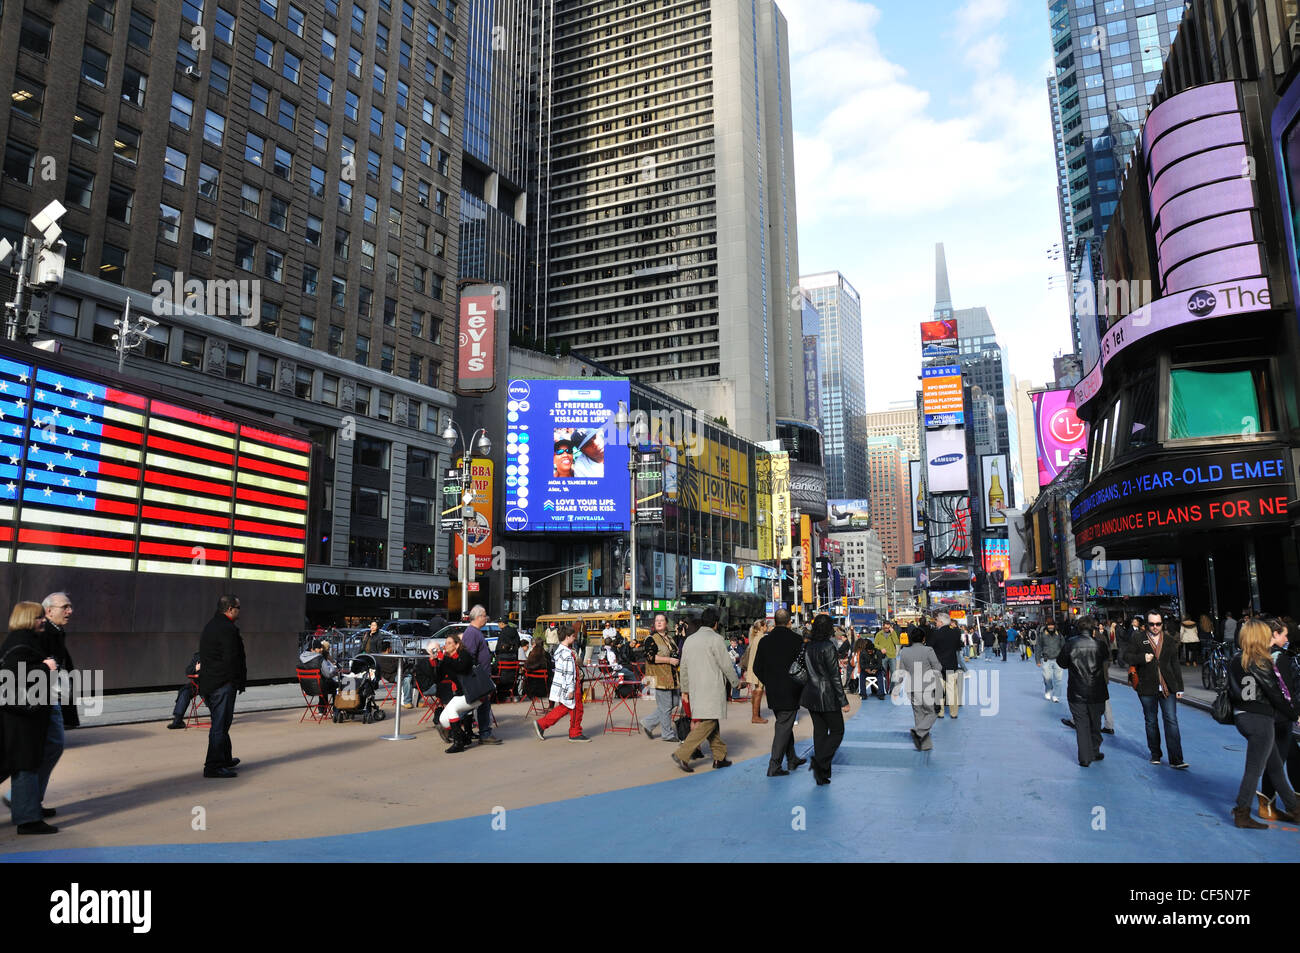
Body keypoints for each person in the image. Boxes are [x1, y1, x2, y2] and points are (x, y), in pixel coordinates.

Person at [1226, 619, 1299, 828]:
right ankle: (1242, 813)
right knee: (1254, 770)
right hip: (1260, 719)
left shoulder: (1235, 659)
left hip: (1242, 716)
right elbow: (1275, 695)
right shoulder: (1261, 661)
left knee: (1275, 766)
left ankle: (1294, 808)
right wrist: (1295, 715)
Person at [1, 602, 63, 834]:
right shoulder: (20, 644)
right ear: (28, 618)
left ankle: (28, 809)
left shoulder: (21, 641)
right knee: (25, 764)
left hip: (21, 717)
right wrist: (46, 668)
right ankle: (28, 818)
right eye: (39, 617)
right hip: (21, 719)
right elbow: (11, 679)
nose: (43, 620)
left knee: (26, 762)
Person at [671, 608, 738, 773]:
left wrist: (685, 689)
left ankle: (719, 757)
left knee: (711, 721)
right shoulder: (717, 639)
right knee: (708, 722)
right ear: (715, 623)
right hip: (712, 688)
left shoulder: (689, 640)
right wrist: (735, 682)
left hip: (694, 687)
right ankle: (683, 753)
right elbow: (726, 664)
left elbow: (684, 667)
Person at [1124, 610, 1187, 769]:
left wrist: (1179, 687)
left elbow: (1175, 664)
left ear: (1162, 624)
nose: (1155, 627)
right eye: (1151, 624)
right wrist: (1142, 658)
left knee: (1171, 721)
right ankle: (1155, 754)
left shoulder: (1170, 640)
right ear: (1146, 624)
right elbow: (1126, 657)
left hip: (1168, 686)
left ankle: (1176, 759)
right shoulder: (1138, 638)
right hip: (1146, 686)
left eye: (1158, 624)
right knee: (1151, 721)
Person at [752, 608, 807, 776]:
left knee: (785, 723)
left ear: (774, 622)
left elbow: (756, 668)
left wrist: (769, 681)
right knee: (783, 725)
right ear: (789, 622)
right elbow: (804, 666)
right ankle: (774, 765)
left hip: (774, 690)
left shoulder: (765, 641)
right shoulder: (797, 640)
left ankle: (792, 759)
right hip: (792, 689)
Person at [198, 595, 246, 779]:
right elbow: (231, 659)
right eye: (238, 608)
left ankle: (224, 758)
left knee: (222, 723)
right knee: (220, 725)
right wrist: (233, 681)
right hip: (221, 684)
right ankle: (213, 765)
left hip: (211, 683)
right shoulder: (227, 629)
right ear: (230, 609)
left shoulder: (212, 625)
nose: (240, 611)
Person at [1257, 618, 1300, 820]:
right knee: (1278, 761)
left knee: (1291, 756)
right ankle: (1268, 804)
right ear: (1274, 634)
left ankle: (1281, 801)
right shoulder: (1280, 658)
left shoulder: (1259, 654)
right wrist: (1295, 713)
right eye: (1284, 634)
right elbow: (1286, 691)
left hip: (1266, 716)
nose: (1286, 638)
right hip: (1280, 717)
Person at [802, 615, 851, 785]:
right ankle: (821, 762)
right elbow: (834, 676)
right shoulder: (828, 647)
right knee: (837, 731)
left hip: (811, 694)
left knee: (820, 732)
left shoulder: (808, 646)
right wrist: (843, 700)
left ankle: (822, 774)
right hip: (827, 695)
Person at [1057, 618, 1111, 767]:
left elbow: (1061, 662)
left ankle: (1085, 757)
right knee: (1095, 722)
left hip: (1077, 690)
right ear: (1093, 629)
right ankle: (1094, 750)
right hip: (1097, 689)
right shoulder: (1100, 645)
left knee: (1081, 725)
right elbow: (1106, 658)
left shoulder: (1070, 643)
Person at [534, 624, 589, 742]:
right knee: (576, 709)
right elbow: (569, 673)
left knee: (565, 707)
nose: (574, 638)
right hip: (571, 685)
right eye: (573, 636)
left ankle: (542, 724)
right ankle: (575, 733)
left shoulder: (560, 650)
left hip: (562, 685)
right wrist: (571, 690)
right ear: (568, 637)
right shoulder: (568, 654)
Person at [894, 625, 942, 751]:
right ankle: (918, 731)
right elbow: (938, 668)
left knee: (919, 715)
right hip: (927, 687)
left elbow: (901, 672)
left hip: (911, 688)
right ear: (923, 639)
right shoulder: (928, 650)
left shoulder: (904, 652)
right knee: (933, 712)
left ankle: (925, 745)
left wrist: (896, 688)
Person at [460, 605, 501, 745]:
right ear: (478, 617)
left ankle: (484, 732)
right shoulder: (472, 633)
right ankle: (447, 723)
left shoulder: (474, 632)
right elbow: (469, 655)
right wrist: (475, 674)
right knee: (477, 704)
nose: (486, 618)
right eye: (484, 615)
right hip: (478, 676)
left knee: (481, 704)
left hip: (481, 675)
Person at [640, 613, 681, 743]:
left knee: (674, 702)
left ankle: (648, 722)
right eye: (656, 620)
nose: (658, 622)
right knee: (666, 705)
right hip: (660, 676)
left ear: (666, 623)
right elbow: (650, 658)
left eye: (661, 620)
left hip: (672, 676)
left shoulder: (670, 638)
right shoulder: (651, 638)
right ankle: (667, 734)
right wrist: (669, 660)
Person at [41, 593, 79, 730]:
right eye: (65, 607)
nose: (70, 611)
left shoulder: (57, 631)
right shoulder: (44, 632)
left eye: (70, 607)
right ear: (49, 611)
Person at [928, 613, 963, 719]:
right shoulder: (956, 633)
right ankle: (954, 712)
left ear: (941, 622)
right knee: (952, 689)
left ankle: (940, 712)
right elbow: (958, 647)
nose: (936, 622)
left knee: (939, 689)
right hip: (951, 664)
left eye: (937, 621)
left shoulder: (935, 634)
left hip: (938, 666)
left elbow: (929, 647)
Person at [298, 638, 338, 715]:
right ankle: (336, 710)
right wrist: (335, 671)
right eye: (319, 648)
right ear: (312, 649)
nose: (321, 649)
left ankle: (322, 710)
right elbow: (328, 674)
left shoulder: (301, 658)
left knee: (321, 682)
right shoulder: (319, 658)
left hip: (306, 688)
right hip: (320, 688)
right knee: (336, 686)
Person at [743, 619, 769, 724]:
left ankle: (756, 715)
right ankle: (755, 716)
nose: (767, 627)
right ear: (762, 627)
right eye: (765, 625)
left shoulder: (754, 638)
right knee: (759, 690)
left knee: (756, 691)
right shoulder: (761, 638)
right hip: (758, 668)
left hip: (753, 667)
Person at [167, 652, 203, 729]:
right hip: (196, 684)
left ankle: (218, 719)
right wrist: (195, 668)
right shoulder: (198, 656)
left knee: (210, 695)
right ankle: (178, 720)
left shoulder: (216, 655)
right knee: (184, 692)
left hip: (211, 685)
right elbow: (188, 671)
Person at [1037, 620, 1065, 703]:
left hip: (1058, 659)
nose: (1051, 627)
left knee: (1058, 679)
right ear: (1046, 626)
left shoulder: (1059, 635)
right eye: (1049, 625)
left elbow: (1064, 647)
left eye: (1052, 625)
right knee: (1047, 678)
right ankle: (1048, 689)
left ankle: (1056, 695)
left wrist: (1065, 658)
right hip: (1046, 659)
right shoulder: (1042, 635)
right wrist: (1038, 660)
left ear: (1054, 625)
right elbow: (1038, 647)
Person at [875, 622, 900, 693]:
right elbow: (875, 644)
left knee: (894, 673)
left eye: (888, 628)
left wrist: (893, 632)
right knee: (883, 673)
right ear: (883, 627)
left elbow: (897, 642)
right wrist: (881, 648)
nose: (886, 629)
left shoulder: (893, 633)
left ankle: (892, 689)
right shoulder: (879, 634)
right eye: (885, 628)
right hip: (883, 656)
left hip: (892, 655)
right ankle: (884, 689)